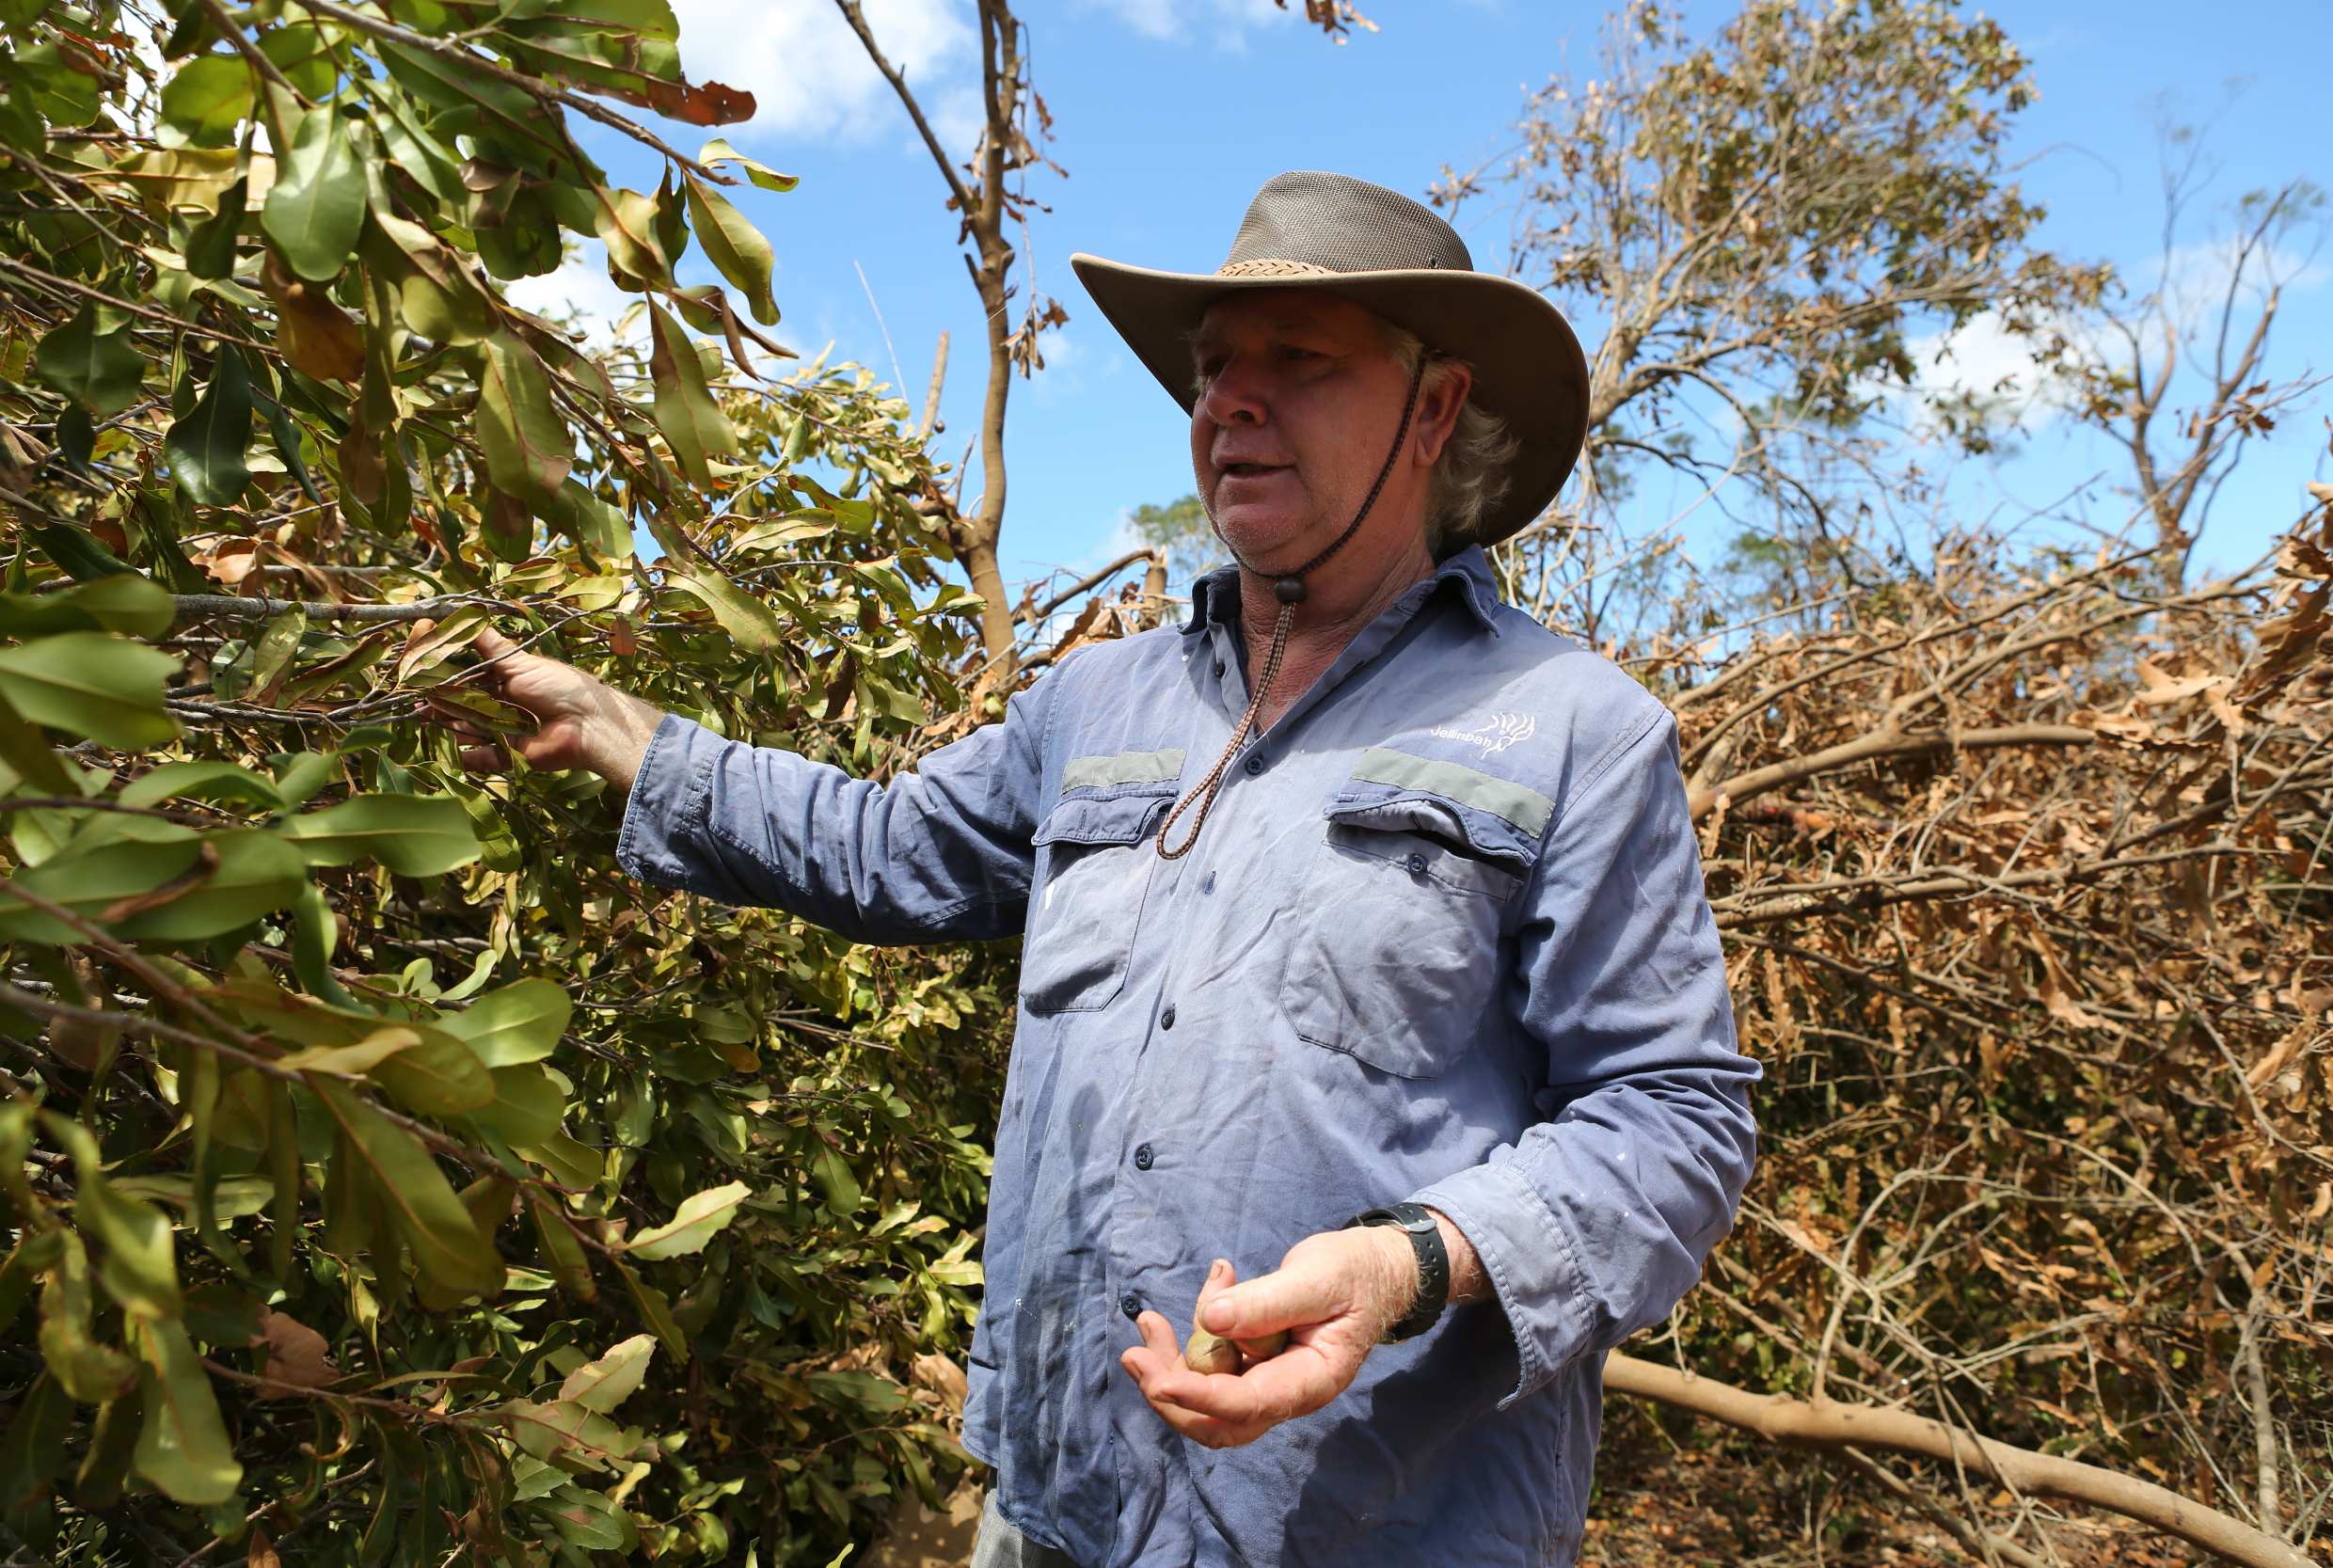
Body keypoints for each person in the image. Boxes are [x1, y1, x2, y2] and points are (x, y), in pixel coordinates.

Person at [455, 171, 1759, 1568]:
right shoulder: (1098, 703)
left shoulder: (1574, 730)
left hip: (1370, 1521)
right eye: (1213, 370)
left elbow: (1674, 1121)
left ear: (1434, 411)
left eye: (1299, 364)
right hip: (1058, 1495)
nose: (1229, 404)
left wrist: (1403, 1265)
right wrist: (635, 741)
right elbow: (888, 848)